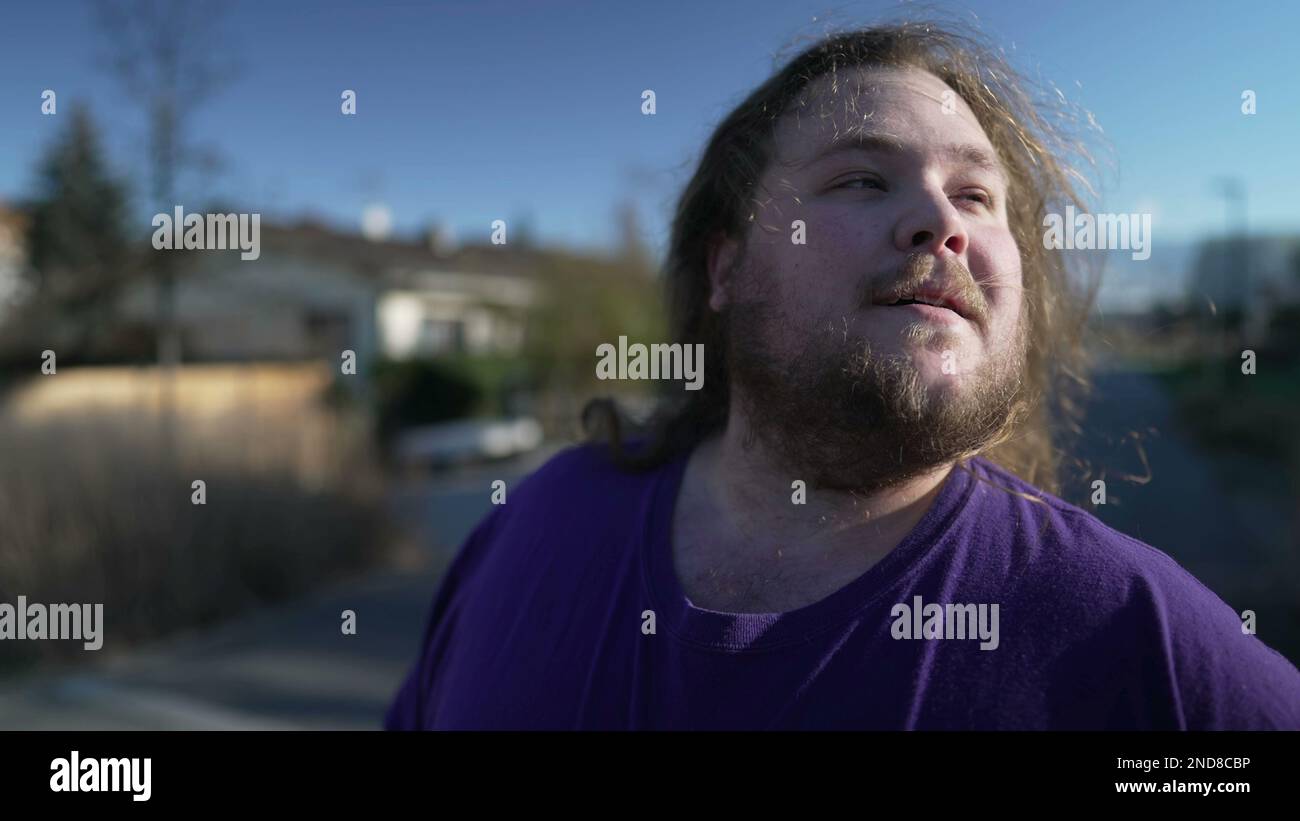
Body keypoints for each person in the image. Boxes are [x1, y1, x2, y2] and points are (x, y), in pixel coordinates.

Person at [385, 21, 1300, 730]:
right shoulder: (535, 523)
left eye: (977, 195)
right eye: (863, 180)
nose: (942, 223)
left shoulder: (1139, 637)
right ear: (725, 267)